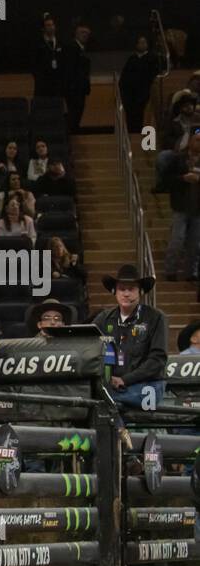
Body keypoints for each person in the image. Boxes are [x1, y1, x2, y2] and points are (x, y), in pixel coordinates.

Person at [92, 264, 167, 415]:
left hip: (146, 387)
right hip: (112, 388)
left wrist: (125, 380)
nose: (126, 294)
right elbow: (88, 347)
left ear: (141, 291)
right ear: (114, 291)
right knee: (98, 401)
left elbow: (157, 359)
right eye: (122, 289)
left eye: (131, 289)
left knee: (105, 404)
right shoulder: (103, 319)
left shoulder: (156, 318)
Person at [161, 132, 200, 285]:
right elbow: (166, 180)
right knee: (177, 240)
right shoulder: (178, 159)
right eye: (197, 140)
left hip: (198, 208)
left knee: (195, 244)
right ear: (190, 142)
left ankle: (191, 272)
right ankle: (170, 270)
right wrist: (183, 178)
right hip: (181, 206)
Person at [120, 36, 159, 135]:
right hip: (130, 94)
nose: (142, 45)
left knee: (142, 114)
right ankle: (131, 133)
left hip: (144, 92)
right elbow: (124, 76)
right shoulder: (132, 58)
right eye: (140, 43)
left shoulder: (152, 58)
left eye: (144, 42)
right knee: (130, 115)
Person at [65, 22, 92, 134]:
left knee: (77, 115)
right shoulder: (72, 48)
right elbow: (71, 70)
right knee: (74, 115)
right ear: (76, 33)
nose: (84, 35)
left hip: (79, 89)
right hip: (74, 90)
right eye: (82, 32)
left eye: (86, 33)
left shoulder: (82, 49)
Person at [34, 12, 64, 99]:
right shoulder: (38, 44)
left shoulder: (60, 42)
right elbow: (35, 64)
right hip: (43, 84)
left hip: (58, 84)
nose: (51, 27)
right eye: (48, 25)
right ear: (43, 28)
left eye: (52, 25)